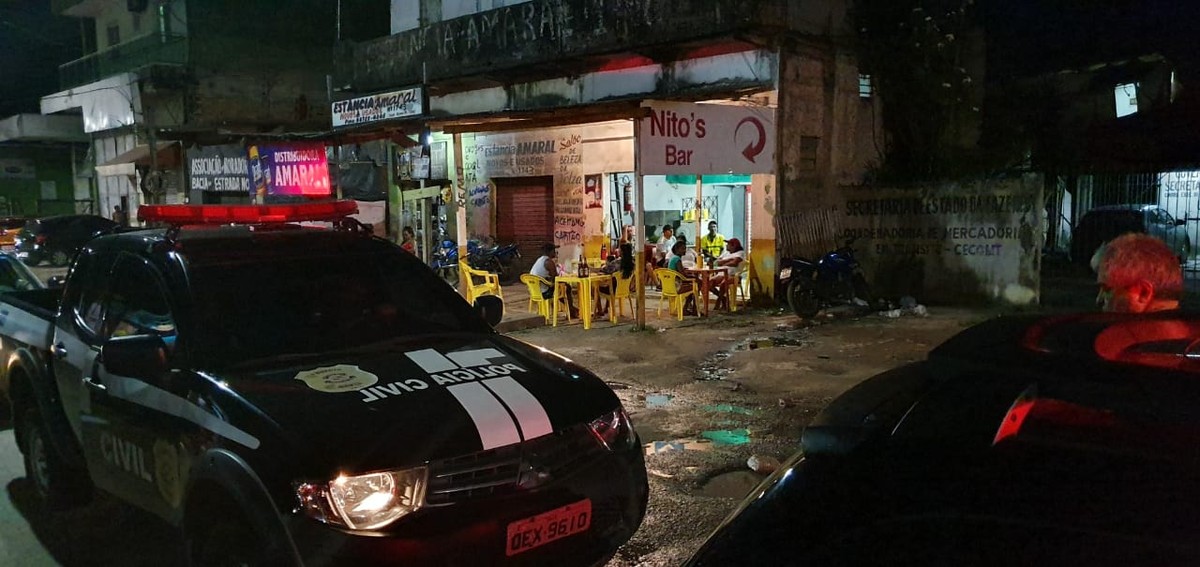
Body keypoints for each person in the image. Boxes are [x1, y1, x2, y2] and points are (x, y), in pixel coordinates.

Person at [1095, 233, 1182, 313]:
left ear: (1143, 293)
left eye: (1107, 290)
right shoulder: (1190, 326)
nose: (1099, 300)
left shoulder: (1123, 329)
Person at [530, 243, 578, 319]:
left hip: (535, 290)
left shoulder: (539, 260)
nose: (555, 253)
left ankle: (571, 309)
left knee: (561, 289)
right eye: (554, 251)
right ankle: (571, 310)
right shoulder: (549, 262)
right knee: (566, 287)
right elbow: (556, 278)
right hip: (545, 292)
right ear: (550, 251)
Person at [597, 243, 635, 316]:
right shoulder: (632, 264)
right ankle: (606, 308)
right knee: (611, 283)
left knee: (596, 288)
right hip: (625, 289)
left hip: (614, 290)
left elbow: (604, 270)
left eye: (619, 250)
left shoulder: (617, 262)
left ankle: (600, 310)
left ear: (622, 252)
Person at [709, 238, 747, 307]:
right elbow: (717, 262)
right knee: (709, 283)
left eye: (728, 244)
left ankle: (719, 301)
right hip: (721, 273)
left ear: (733, 246)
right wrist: (729, 260)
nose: (726, 246)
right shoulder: (725, 253)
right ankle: (723, 299)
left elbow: (734, 263)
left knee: (724, 283)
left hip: (734, 275)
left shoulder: (740, 253)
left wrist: (723, 263)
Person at [666, 240, 697, 315]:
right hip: (676, 286)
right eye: (682, 249)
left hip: (670, 285)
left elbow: (679, 271)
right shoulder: (677, 259)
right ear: (677, 249)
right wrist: (693, 276)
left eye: (685, 248)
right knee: (696, 286)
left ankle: (689, 308)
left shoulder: (673, 258)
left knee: (694, 286)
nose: (685, 250)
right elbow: (683, 275)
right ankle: (688, 308)